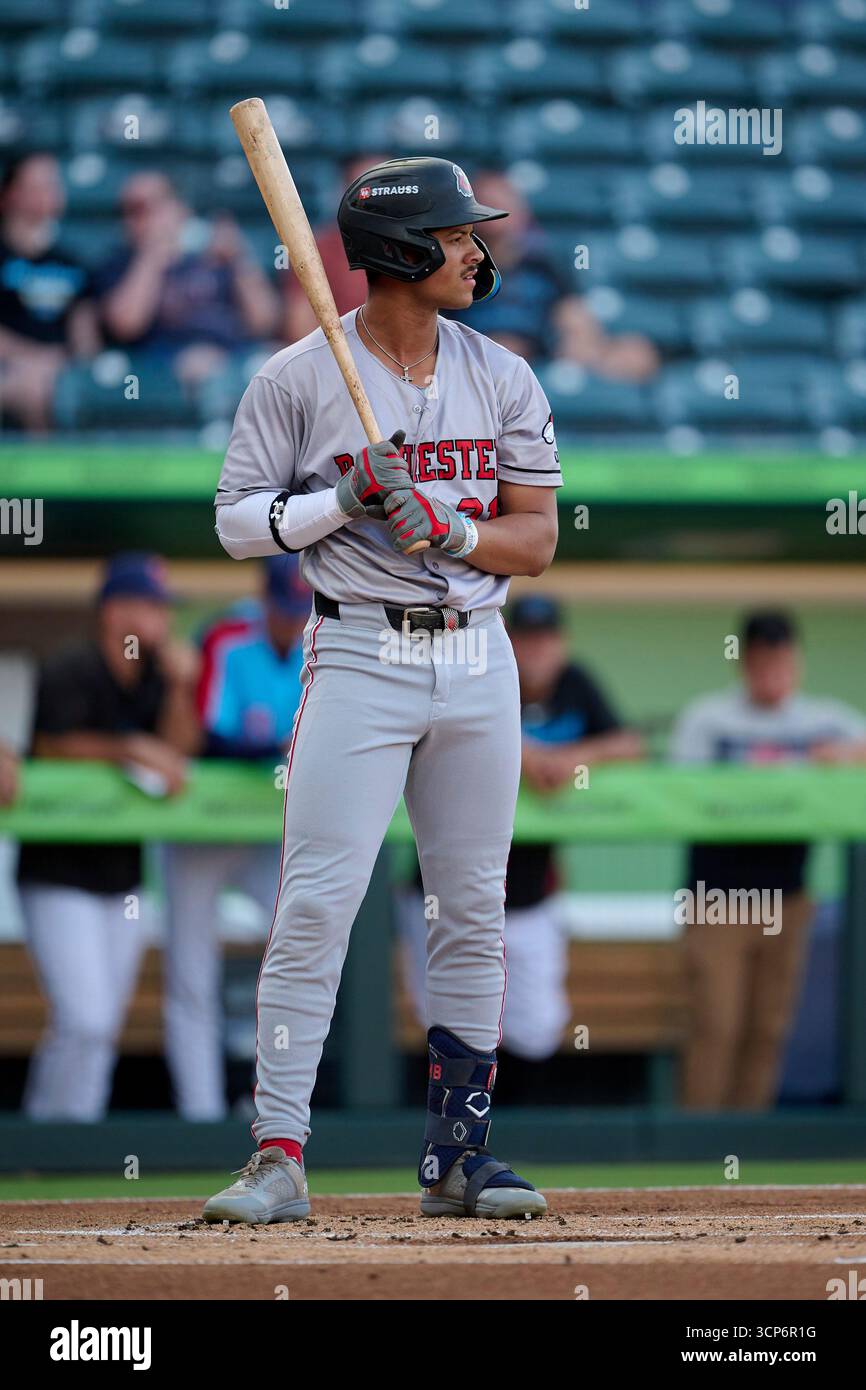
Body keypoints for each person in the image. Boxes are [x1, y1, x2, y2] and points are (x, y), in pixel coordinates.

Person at [204, 156, 561, 1225]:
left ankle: (457, 1157)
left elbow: (535, 536)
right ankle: (278, 1155)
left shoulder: (501, 372)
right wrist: (339, 499)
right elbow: (232, 523)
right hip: (359, 651)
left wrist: (450, 527)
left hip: (475, 651)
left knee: (470, 911)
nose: (473, 250)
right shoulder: (295, 377)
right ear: (400, 254)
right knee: (315, 905)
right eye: (454, 235)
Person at [398, 593, 644, 1083]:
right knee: (449, 1026)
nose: (535, 651)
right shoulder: (474, 670)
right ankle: (452, 1141)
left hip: (530, 892)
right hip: (445, 893)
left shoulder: (575, 684)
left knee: (534, 1028)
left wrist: (573, 758)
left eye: (545, 640)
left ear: (561, 643)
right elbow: (431, 729)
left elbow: (629, 744)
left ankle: (504, 1136)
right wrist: (524, 752)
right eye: (525, 639)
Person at [17, 554, 199, 1121]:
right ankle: (48, 1133)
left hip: (122, 876)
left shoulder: (151, 675)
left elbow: (179, 751)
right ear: (116, 610)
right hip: (58, 873)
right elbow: (49, 745)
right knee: (84, 1019)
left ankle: (75, 1142)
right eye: (151, 606)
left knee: (103, 1026)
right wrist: (126, 746)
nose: (162, 620)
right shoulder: (71, 666)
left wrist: (179, 687)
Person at [670, 611, 866, 1111]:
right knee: (717, 1023)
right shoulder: (709, 719)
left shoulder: (824, 720)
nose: (773, 672)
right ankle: (699, 1145)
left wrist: (844, 757)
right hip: (719, 899)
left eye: (783, 660)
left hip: (790, 897)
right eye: (762, 661)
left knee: (769, 1025)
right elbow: (679, 792)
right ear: (745, 662)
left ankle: (746, 1149)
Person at [161, 555, 310, 1120]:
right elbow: (201, 737)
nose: (291, 620)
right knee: (191, 973)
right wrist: (274, 750)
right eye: (282, 607)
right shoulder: (226, 636)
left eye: (300, 608)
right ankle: (199, 1116)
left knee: (294, 950)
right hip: (203, 826)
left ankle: (268, 1110)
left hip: (269, 829)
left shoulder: (323, 635)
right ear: (263, 598)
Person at [448, 170, 659, 380]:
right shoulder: (454, 269)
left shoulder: (545, 262)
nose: (497, 215)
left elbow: (572, 313)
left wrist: (580, 341)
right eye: (488, 204)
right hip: (480, 362)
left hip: (543, 355)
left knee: (636, 354)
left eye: (505, 202)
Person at [95, 173, 280, 388]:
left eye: (145, 207)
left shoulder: (218, 250)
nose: (135, 219)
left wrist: (239, 259)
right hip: (161, 363)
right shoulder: (121, 261)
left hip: (235, 354)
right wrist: (150, 258)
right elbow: (125, 325)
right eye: (127, 211)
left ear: (178, 207)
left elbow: (265, 320)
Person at [0, 152, 98, 432]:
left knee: (58, 387)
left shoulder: (72, 262)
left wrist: (69, 363)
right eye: (36, 186)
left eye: (52, 184)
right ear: (9, 194)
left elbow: (86, 340)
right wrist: (37, 358)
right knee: (32, 386)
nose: (48, 193)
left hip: (58, 370)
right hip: (10, 369)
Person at [283, 153, 388, 344]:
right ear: (345, 194)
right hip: (337, 356)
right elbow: (299, 328)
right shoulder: (317, 249)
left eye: (385, 189)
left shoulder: (420, 246)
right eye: (367, 190)